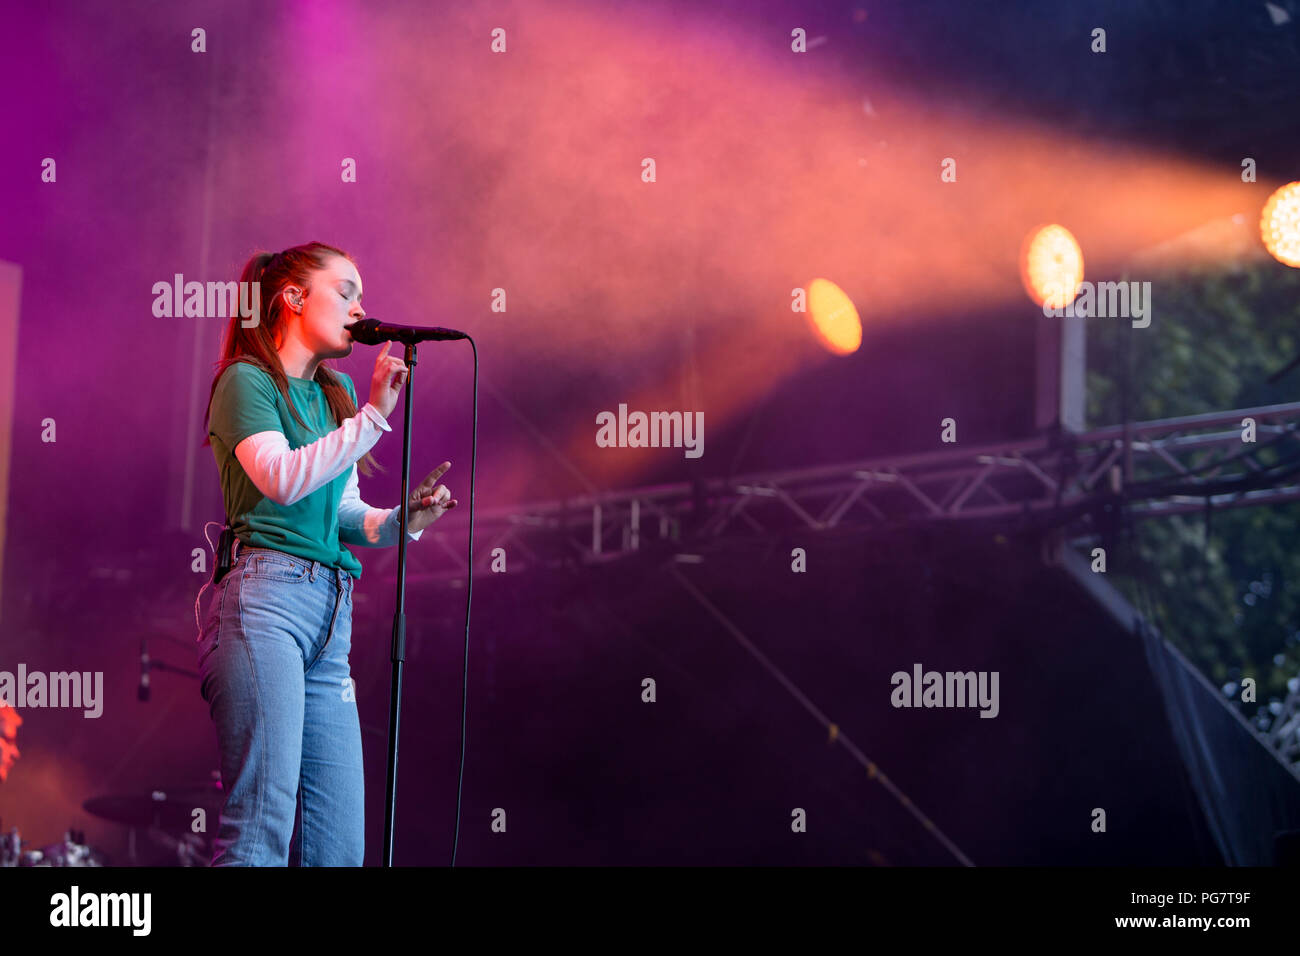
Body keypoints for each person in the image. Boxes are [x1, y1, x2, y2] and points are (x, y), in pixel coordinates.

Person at [196, 241, 457, 866]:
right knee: (261, 826)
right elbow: (282, 479)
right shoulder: (245, 380)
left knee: (338, 846)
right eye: (345, 291)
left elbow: (340, 515)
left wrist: (403, 521)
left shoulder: (334, 393)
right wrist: (372, 417)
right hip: (264, 602)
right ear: (291, 298)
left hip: (329, 618)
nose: (361, 306)